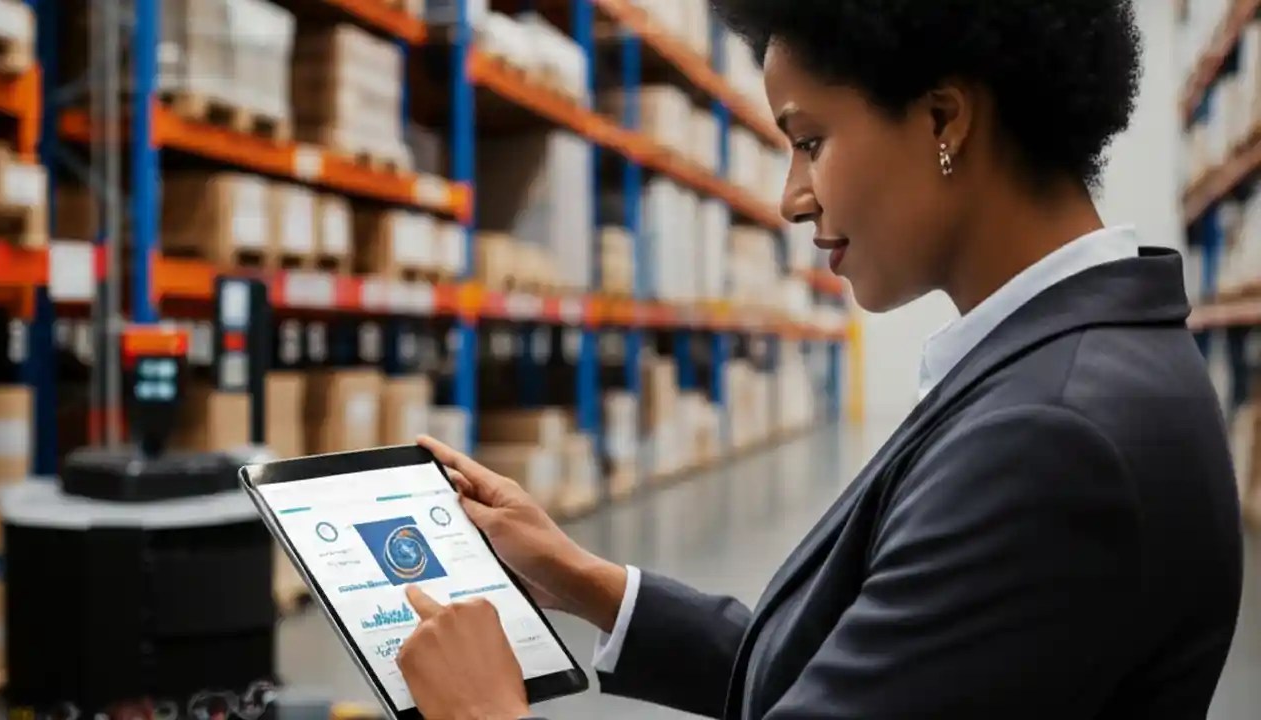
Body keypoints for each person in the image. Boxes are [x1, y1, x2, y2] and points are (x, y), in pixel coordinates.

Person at [394, 0, 1244, 717]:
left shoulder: (1052, 439)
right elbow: (867, 667)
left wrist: (483, 710)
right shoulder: (1068, 366)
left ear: (943, 119)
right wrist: (582, 579)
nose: (791, 199)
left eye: (809, 141)